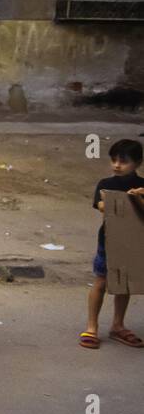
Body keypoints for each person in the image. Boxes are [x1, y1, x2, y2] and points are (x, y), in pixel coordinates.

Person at [81, 139, 144, 348]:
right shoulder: (106, 184)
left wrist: (139, 198)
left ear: (137, 163)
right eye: (114, 160)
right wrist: (116, 200)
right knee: (101, 281)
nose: (117, 165)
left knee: (123, 284)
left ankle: (118, 325)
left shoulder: (142, 187)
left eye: (123, 161)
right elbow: (100, 206)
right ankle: (92, 327)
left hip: (132, 241)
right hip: (108, 241)